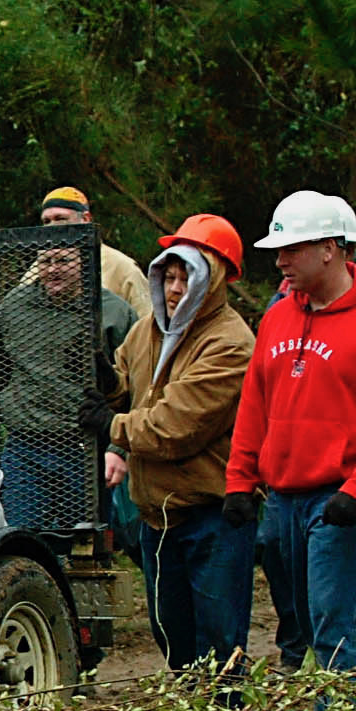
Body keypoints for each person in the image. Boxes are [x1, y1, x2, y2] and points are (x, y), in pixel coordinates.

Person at [224, 190, 356, 674]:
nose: (281, 261)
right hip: (285, 496)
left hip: (341, 499)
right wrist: (240, 481)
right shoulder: (277, 316)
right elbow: (255, 405)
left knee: (338, 621)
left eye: (291, 250)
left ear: (329, 248)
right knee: (299, 621)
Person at [81, 215, 255, 668]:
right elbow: (130, 384)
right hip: (156, 514)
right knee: (170, 632)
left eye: (187, 277)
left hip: (210, 512)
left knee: (218, 637)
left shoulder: (230, 343)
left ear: (213, 280)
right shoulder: (147, 331)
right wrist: (109, 382)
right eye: (169, 276)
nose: (175, 289)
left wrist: (111, 426)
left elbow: (174, 427)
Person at [0, 237, 134, 528]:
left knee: (84, 543)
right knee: (24, 536)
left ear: (84, 263)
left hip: (83, 447)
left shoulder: (113, 311)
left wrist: (119, 449)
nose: (53, 269)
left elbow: (135, 386)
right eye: (45, 261)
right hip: (26, 445)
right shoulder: (14, 307)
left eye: (63, 261)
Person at [36, 186, 153, 321]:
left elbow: (147, 322)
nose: (52, 226)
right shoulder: (40, 266)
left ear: (86, 219)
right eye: (46, 221)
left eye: (60, 218)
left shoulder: (122, 266)